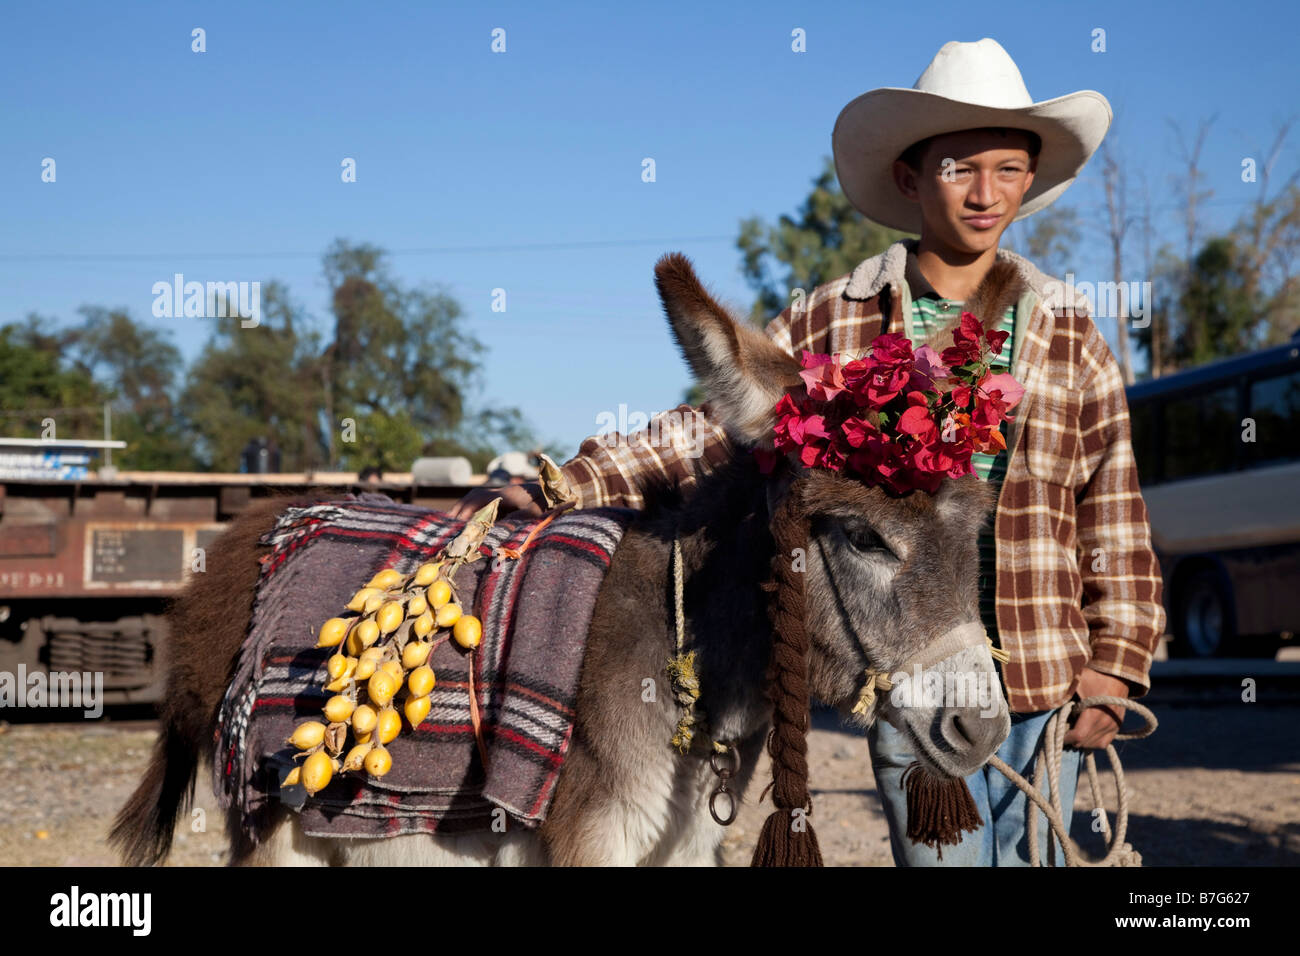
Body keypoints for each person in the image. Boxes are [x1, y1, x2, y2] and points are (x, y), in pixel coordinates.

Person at [449, 38, 1165, 866]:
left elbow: (1111, 506)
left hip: (1044, 673)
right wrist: (562, 483)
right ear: (909, 178)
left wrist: (1116, 663)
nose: (984, 192)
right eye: (958, 168)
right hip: (907, 669)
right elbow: (710, 428)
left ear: (1030, 180)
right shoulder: (838, 321)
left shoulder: (1069, 334)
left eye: (1007, 169)